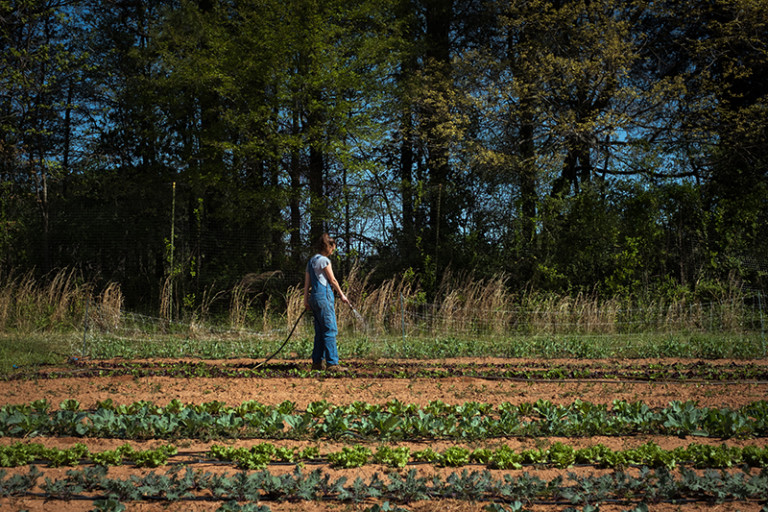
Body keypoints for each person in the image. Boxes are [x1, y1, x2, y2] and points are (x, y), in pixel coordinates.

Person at [304, 233, 349, 371]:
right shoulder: (324, 260)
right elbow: (332, 280)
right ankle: (332, 364)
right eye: (333, 247)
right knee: (330, 329)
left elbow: (307, 283)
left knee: (320, 331)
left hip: (314, 298)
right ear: (328, 246)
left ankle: (317, 363)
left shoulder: (311, 261)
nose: (333, 250)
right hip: (324, 297)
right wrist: (342, 295)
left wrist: (306, 300)